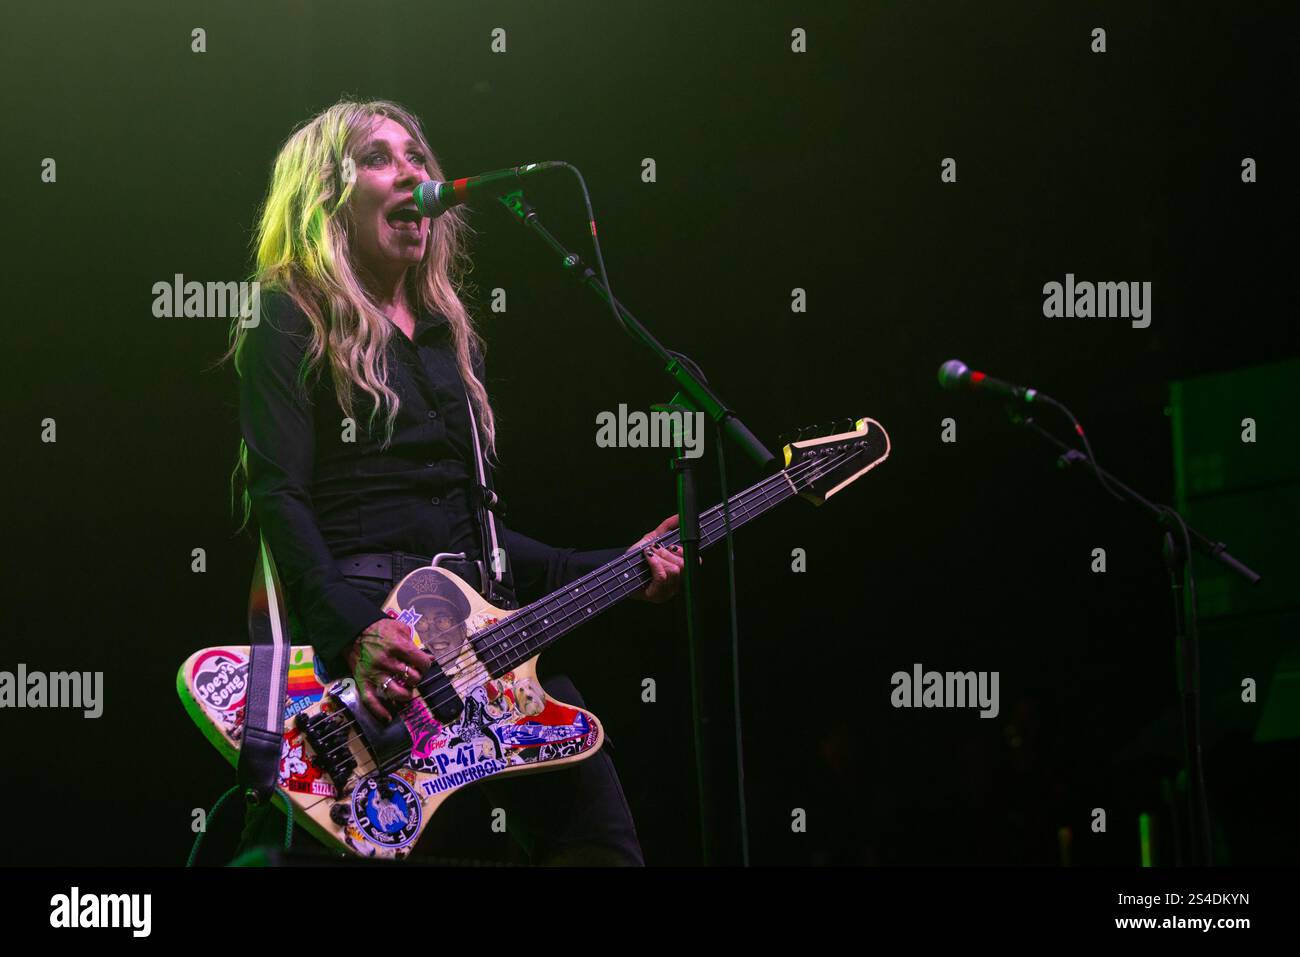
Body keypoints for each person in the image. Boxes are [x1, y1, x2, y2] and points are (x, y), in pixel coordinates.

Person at [223, 98, 684, 864]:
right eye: (379, 158)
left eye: (417, 157)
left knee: (601, 846)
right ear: (326, 196)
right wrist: (353, 634)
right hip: (375, 651)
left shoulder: (446, 340)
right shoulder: (288, 316)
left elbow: (488, 543)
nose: (412, 173)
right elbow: (279, 496)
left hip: (483, 645)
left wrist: (626, 564)